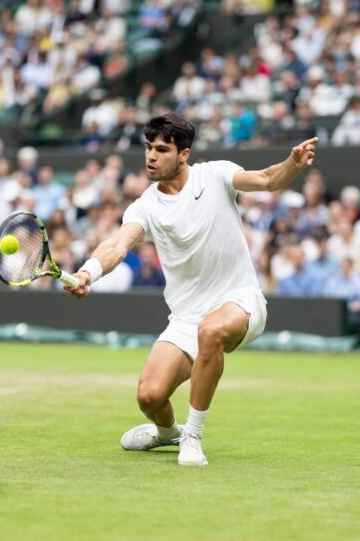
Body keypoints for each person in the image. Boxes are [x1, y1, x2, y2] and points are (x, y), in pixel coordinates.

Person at [64, 113, 318, 466]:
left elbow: (266, 179)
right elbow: (118, 244)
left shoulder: (214, 175)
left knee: (211, 331)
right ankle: (167, 432)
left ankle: (192, 437)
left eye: (162, 149)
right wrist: (88, 272)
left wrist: (292, 163)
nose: (151, 157)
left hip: (240, 301)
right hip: (186, 317)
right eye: (149, 148)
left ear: (184, 154)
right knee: (150, 397)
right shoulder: (145, 206)